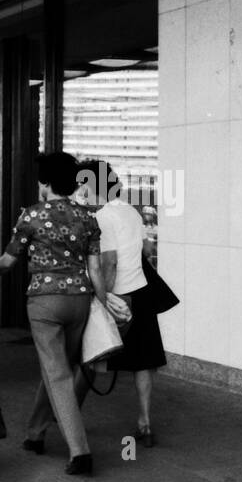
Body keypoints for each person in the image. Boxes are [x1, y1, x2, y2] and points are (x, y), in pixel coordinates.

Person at [0, 151, 125, 477]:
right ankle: (35, 434)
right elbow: (95, 269)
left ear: (46, 182)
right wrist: (104, 303)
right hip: (79, 302)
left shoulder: (32, 216)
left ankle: (80, 452)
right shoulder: (87, 218)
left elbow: (8, 262)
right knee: (58, 371)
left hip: (44, 304)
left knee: (58, 374)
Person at [78, 160, 166, 445]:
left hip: (120, 296)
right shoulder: (131, 211)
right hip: (141, 293)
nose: (82, 190)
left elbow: (110, 262)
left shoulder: (103, 217)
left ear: (94, 185)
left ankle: (69, 412)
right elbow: (148, 249)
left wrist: (104, 299)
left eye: (84, 184)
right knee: (144, 361)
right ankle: (145, 422)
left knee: (94, 352)